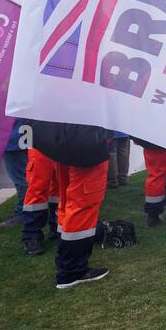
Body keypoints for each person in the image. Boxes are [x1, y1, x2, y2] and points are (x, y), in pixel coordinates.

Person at [32, 121, 114, 289]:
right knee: (82, 206)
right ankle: (73, 271)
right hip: (84, 144)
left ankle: (67, 264)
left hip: (65, 141)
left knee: (68, 204)